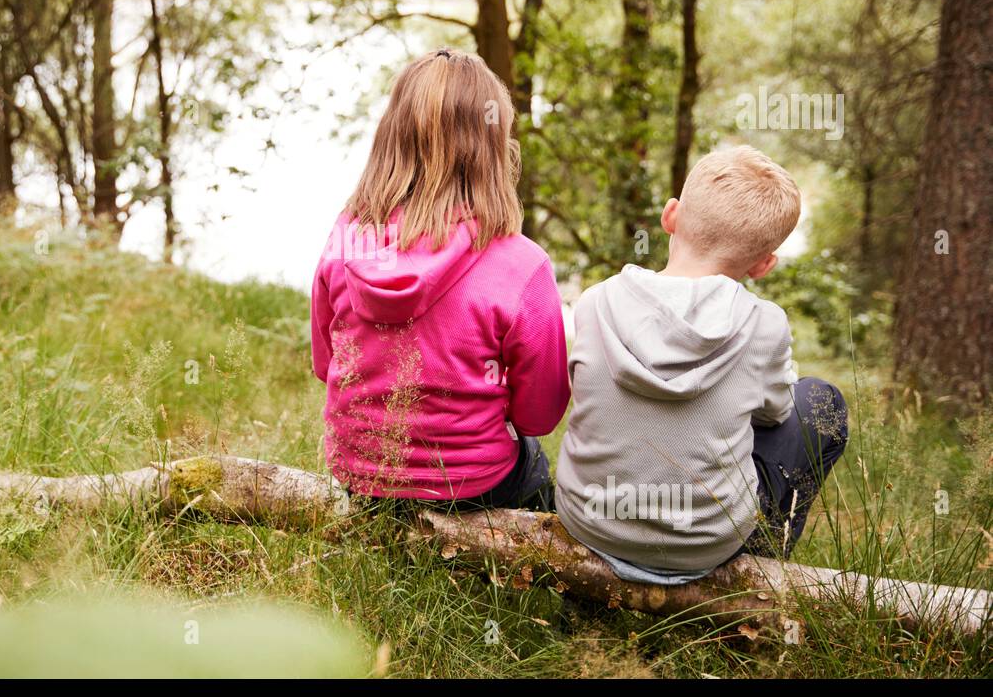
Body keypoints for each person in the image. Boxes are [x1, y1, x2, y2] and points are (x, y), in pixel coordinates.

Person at [555, 145, 849, 583]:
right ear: (763, 265)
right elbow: (777, 414)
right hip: (706, 545)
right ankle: (766, 555)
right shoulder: (764, 324)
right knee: (823, 400)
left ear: (670, 215)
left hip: (590, 521)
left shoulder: (596, 301)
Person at [310, 48, 569, 509]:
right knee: (535, 462)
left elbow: (326, 365)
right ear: (493, 149)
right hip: (476, 486)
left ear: (390, 137)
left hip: (360, 473)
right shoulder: (522, 263)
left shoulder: (346, 237)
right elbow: (539, 415)